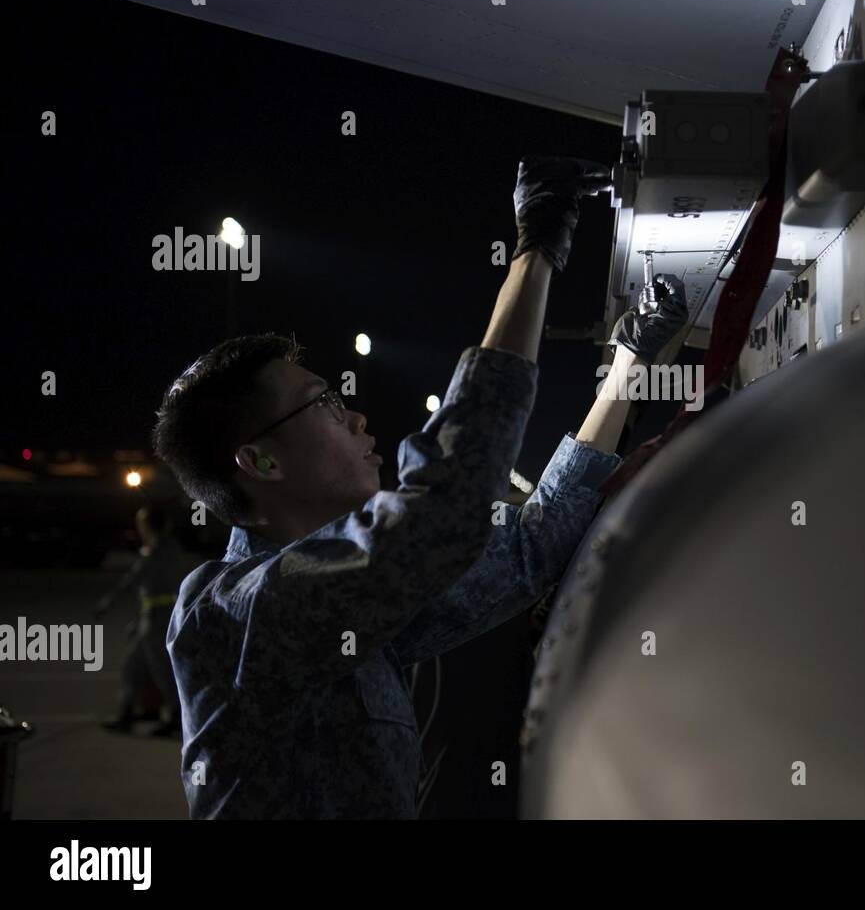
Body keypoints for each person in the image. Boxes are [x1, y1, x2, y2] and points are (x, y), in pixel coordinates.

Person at [150, 156, 688, 818]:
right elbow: (443, 515)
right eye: (321, 403)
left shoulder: (352, 613)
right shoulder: (237, 615)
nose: (355, 415)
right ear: (259, 462)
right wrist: (535, 253)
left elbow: (525, 550)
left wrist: (627, 365)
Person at [96, 505, 190, 737]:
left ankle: (176, 717)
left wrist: (108, 602)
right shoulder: (167, 548)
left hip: (158, 617)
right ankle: (128, 713)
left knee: (161, 670)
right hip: (153, 615)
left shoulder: (158, 550)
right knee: (134, 666)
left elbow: (135, 580)